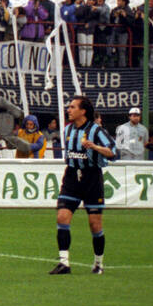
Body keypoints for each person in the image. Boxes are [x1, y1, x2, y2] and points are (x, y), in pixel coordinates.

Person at [50, 95, 115, 274]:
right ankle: (64, 263)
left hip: (91, 179)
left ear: (83, 111)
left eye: (72, 107)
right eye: (69, 107)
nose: (68, 110)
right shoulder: (68, 130)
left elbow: (112, 151)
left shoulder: (96, 130)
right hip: (71, 177)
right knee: (62, 217)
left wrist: (94, 147)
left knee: (95, 224)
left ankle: (98, 264)